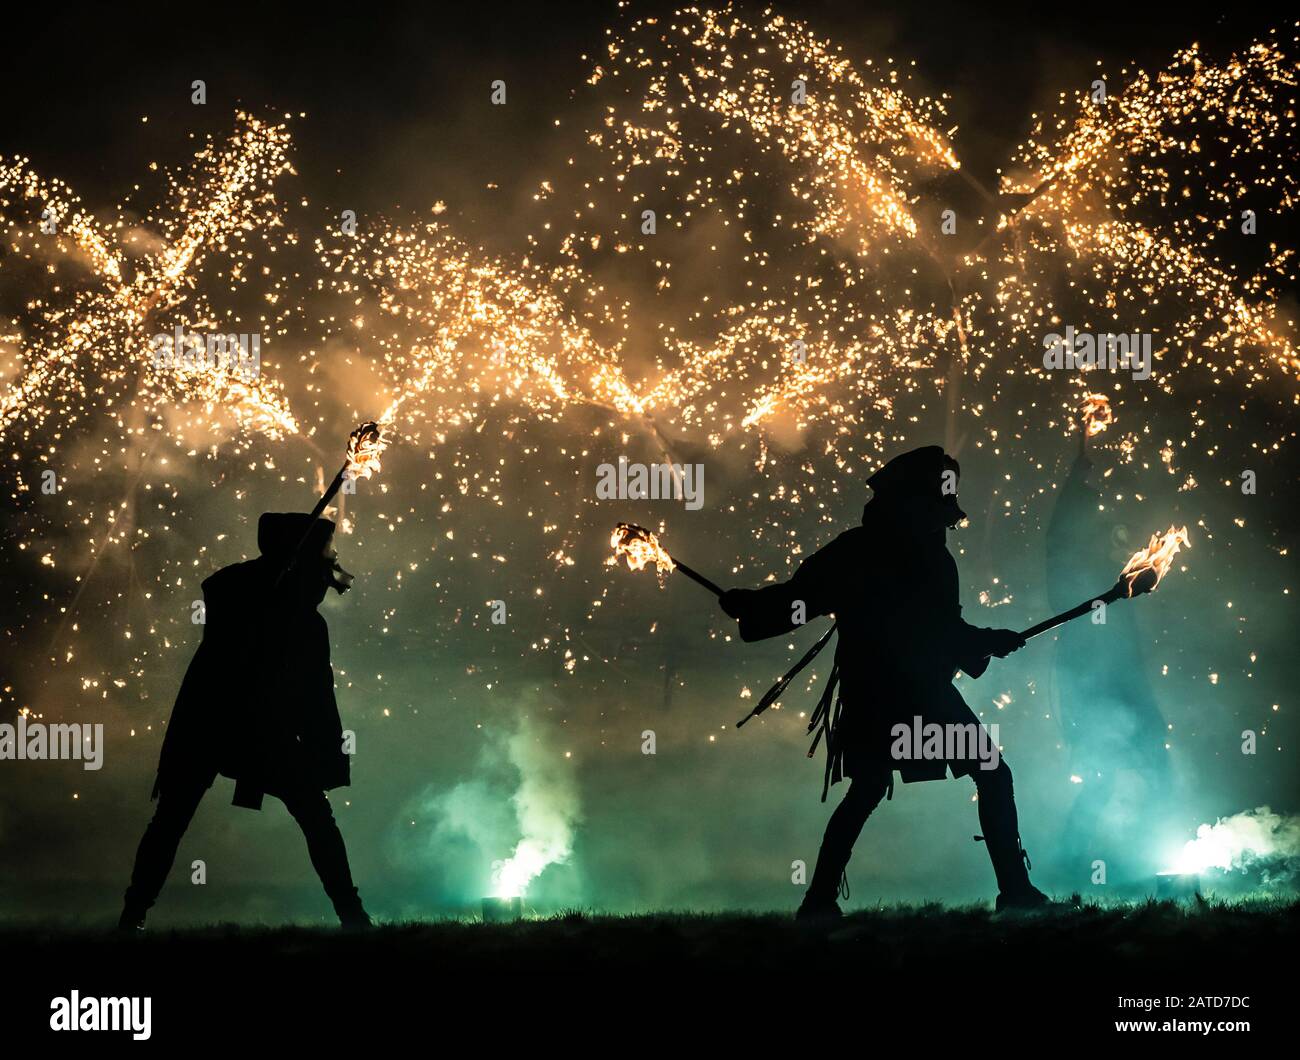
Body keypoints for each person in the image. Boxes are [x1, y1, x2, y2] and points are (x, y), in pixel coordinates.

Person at [720, 446, 1049, 918]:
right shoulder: (882, 555)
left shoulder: (876, 551)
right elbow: (914, 623)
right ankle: (1015, 893)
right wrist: (752, 606)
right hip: (906, 695)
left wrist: (753, 608)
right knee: (988, 774)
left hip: (885, 693)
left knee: (871, 786)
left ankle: (818, 902)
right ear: (913, 505)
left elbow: (806, 599)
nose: (946, 522)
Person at [119, 512, 371, 930]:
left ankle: (351, 912)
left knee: (310, 816)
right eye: (323, 549)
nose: (332, 558)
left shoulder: (296, 611)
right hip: (220, 721)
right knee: (174, 818)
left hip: (243, 725)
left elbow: (313, 688)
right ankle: (134, 913)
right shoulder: (244, 598)